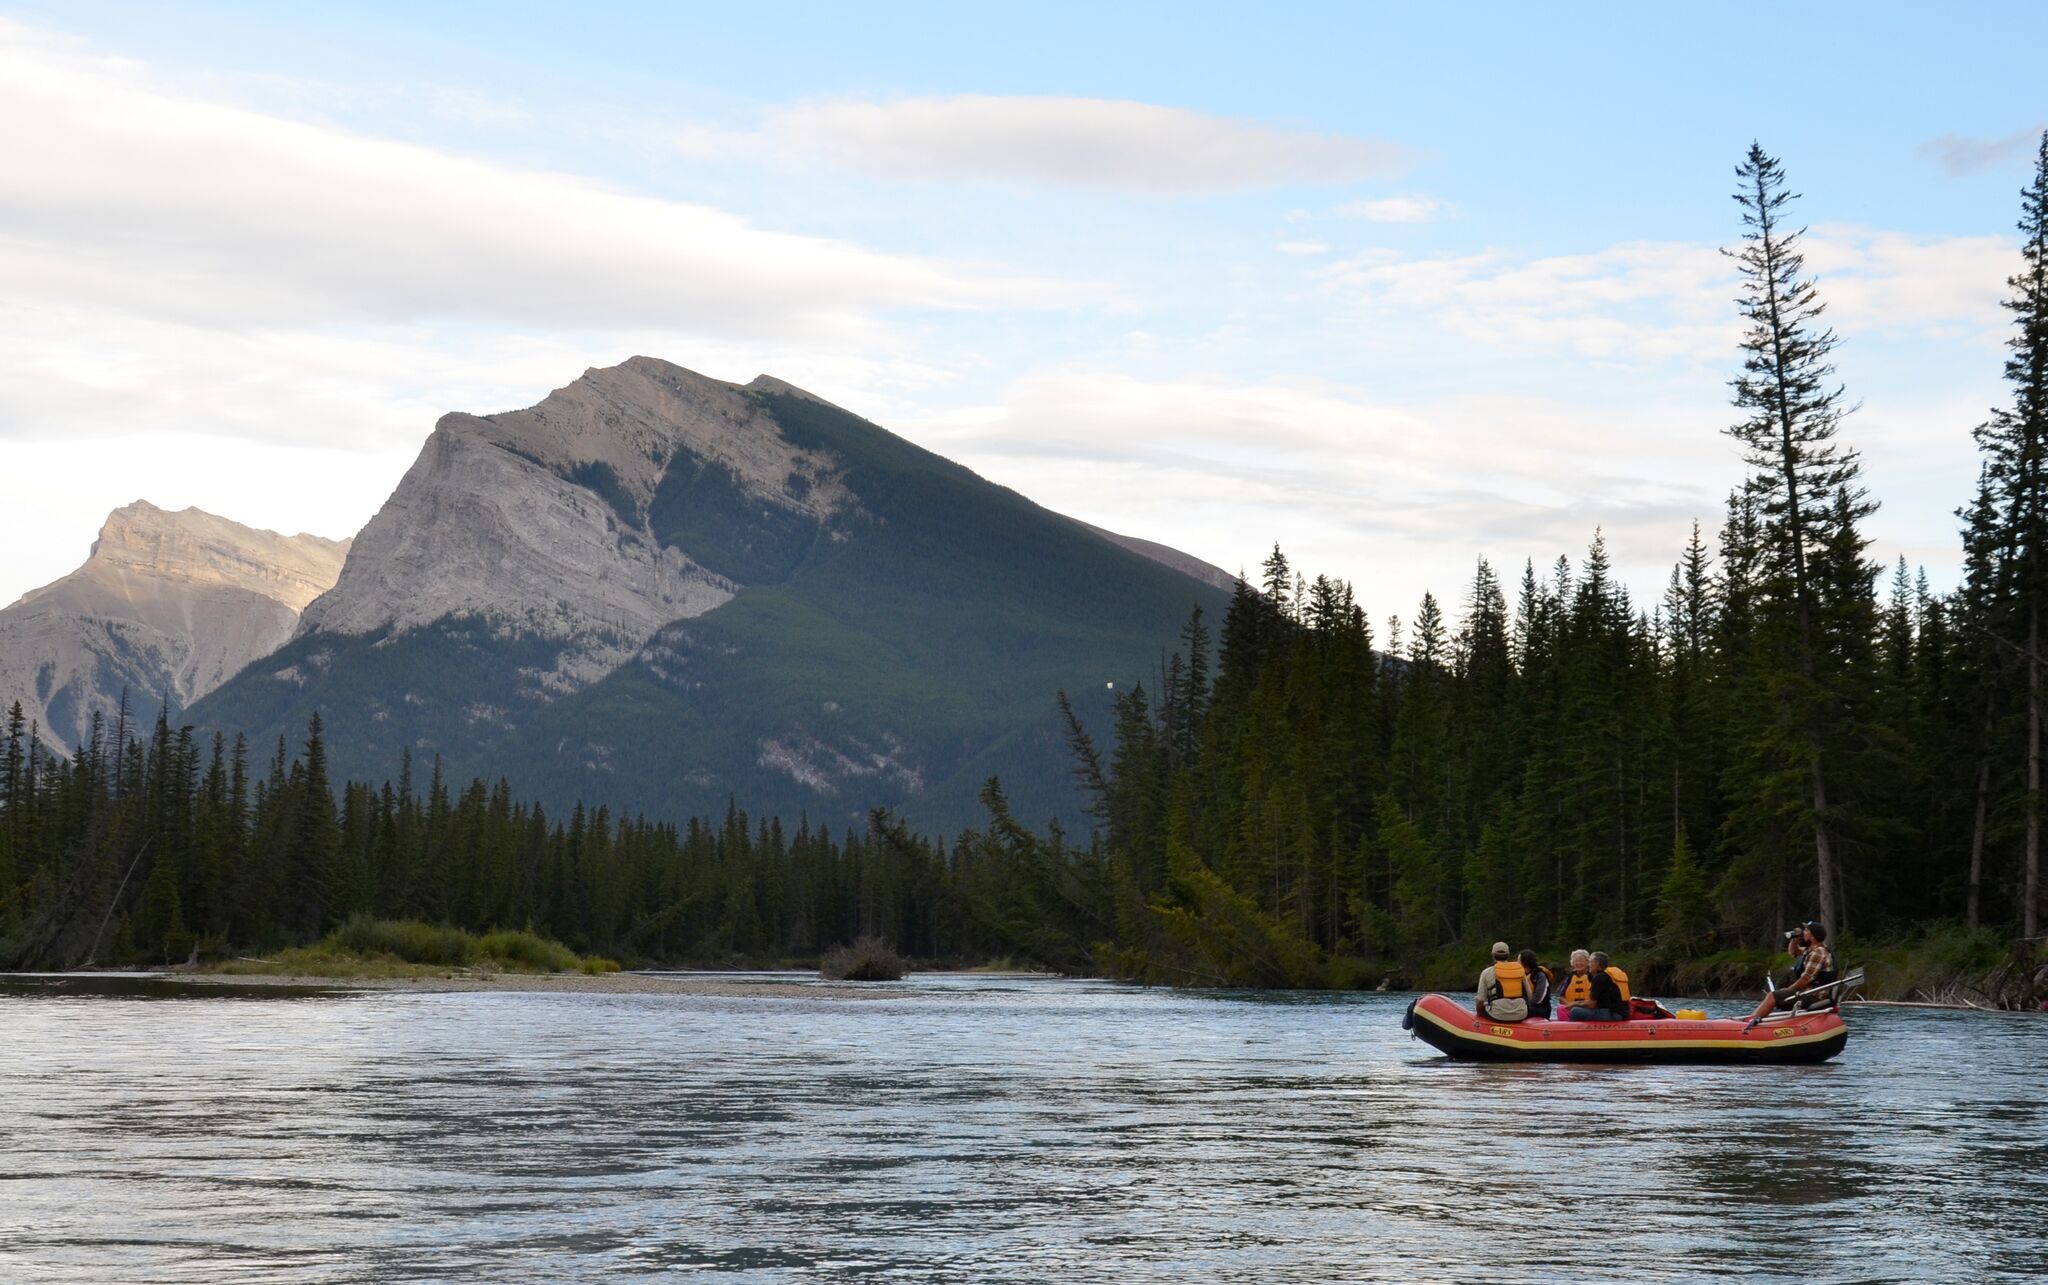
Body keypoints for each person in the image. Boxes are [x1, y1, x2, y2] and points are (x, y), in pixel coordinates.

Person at [1742, 921, 1834, 1030]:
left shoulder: (1818, 952)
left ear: (1812, 936)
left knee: (1773, 996)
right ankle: (1754, 1019)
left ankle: (1748, 1023)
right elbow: (1793, 952)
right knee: (1778, 995)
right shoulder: (1812, 950)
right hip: (1807, 994)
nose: (1803, 933)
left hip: (1815, 996)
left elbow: (1805, 979)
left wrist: (1789, 989)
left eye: (1806, 931)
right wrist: (1794, 939)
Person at [1475, 941, 1531, 1022]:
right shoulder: (1520, 970)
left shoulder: (1486, 972)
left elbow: (1480, 1000)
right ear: (1508, 955)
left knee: (1482, 1008)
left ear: (1493, 955)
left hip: (1498, 1015)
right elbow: (1530, 995)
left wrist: (1478, 1013)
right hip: (1520, 1015)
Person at [1566, 951, 1627, 1021]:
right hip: (1615, 1012)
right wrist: (1576, 1003)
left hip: (1612, 1014)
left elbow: (1591, 1005)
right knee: (1578, 1009)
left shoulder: (1599, 978)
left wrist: (1574, 1005)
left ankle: (1572, 1030)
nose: (1588, 965)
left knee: (1575, 1011)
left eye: (1590, 962)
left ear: (1597, 963)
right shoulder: (1604, 976)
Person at [1521, 949, 1555, 1019]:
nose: (1516, 963)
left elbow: (1538, 998)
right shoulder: (1521, 975)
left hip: (1542, 1009)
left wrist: (1524, 1006)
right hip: (1526, 1007)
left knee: (1520, 1010)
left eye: (1518, 961)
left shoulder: (1540, 975)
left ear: (1524, 962)